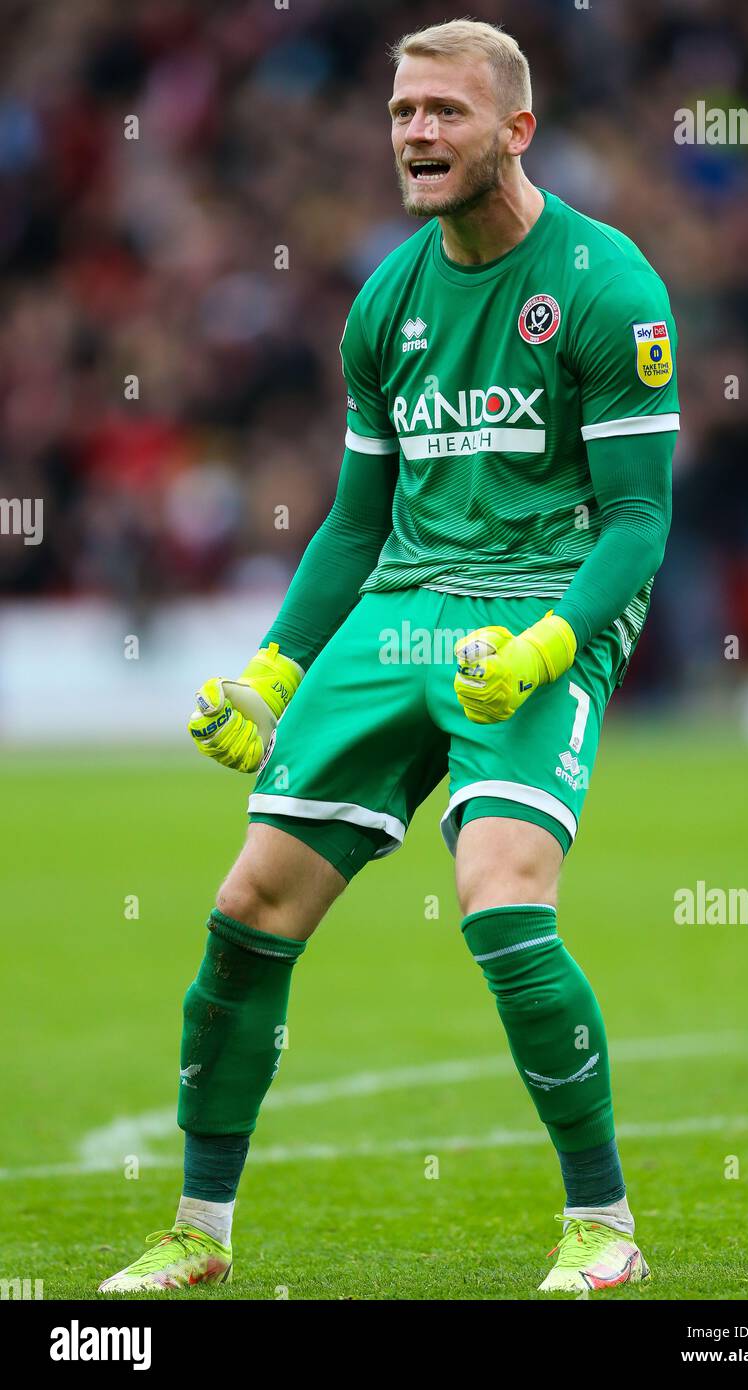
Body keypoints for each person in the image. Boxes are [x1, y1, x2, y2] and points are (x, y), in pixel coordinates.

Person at [99, 17, 678, 1296]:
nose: (416, 133)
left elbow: (638, 520)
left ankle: (602, 1227)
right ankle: (197, 1234)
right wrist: (272, 670)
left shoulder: (607, 284)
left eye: (445, 113)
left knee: (500, 894)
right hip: (400, 606)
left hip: (536, 607)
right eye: (404, 111)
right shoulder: (385, 297)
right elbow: (358, 519)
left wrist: (543, 651)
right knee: (247, 906)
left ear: (512, 130)